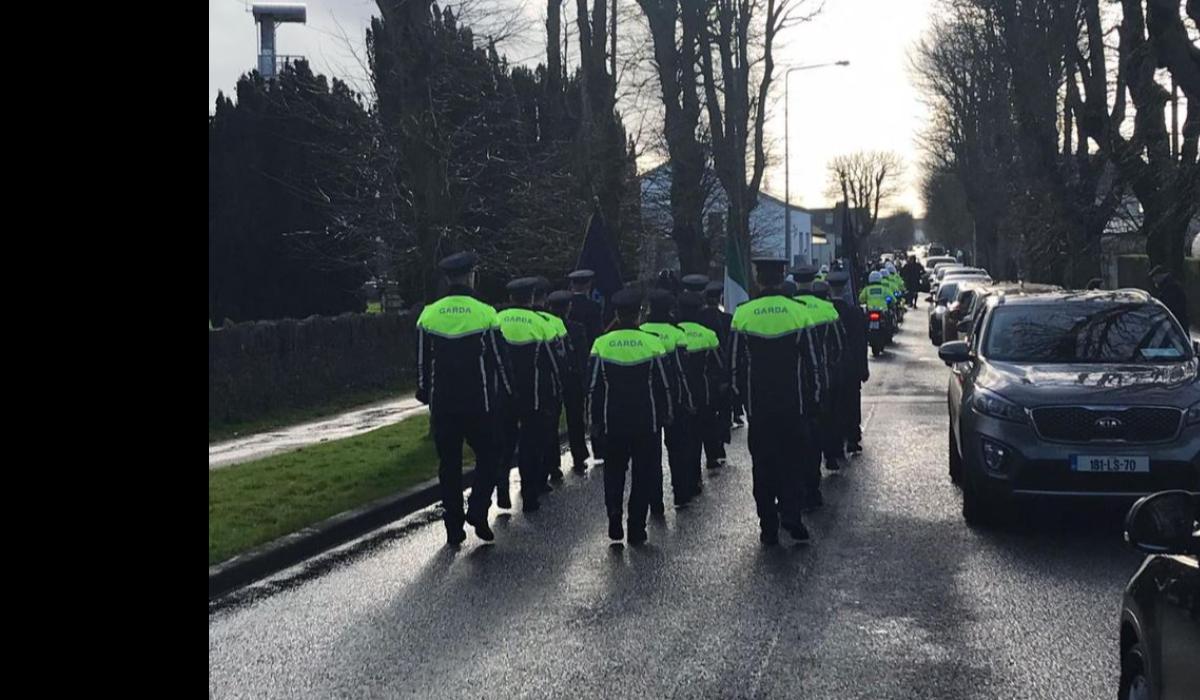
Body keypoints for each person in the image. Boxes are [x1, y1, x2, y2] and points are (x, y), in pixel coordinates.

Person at [415, 252, 510, 546]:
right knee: (490, 455)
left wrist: (424, 391)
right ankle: (478, 508)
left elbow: (421, 360)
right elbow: (499, 358)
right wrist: (508, 391)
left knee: (449, 466)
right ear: (471, 276)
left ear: (447, 278)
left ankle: (453, 526)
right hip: (478, 401)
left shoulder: (429, 314)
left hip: (443, 403)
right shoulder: (485, 313)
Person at [730, 257, 819, 545]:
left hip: (758, 407)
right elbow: (813, 361)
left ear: (758, 279)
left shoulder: (743, 314)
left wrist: (740, 400)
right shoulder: (799, 312)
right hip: (794, 404)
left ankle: (767, 524)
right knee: (793, 461)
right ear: (782, 279)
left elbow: (734, 364)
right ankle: (791, 513)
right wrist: (815, 397)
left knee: (763, 466)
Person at [589, 288, 674, 544]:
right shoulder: (652, 343)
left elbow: (593, 387)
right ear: (639, 314)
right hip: (646, 421)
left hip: (612, 421)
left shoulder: (601, 344)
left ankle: (614, 513)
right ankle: (636, 526)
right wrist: (667, 413)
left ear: (616, 314)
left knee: (614, 471)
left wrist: (593, 421)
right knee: (643, 473)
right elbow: (664, 384)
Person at [496, 277, 561, 513]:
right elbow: (553, 361)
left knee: (505, 442)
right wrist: (557, 388)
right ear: (532, 297)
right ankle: (529, 495)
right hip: (532, 393)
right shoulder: (541, 323)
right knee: (529, 445)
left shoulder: (497, 319)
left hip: (503, 392)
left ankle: (502, 489)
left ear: (510, 297)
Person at [791, 266, 843, 509]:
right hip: (823, 378)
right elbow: (839, 344)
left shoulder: (790, 309)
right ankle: (824, 464)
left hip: (795, 384)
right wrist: (830, 366)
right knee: (823, 423)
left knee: (797, 438)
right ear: (813, 283)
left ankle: (797, 485)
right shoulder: (827, 308)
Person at [640, 289, 693, 513]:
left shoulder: (641, 331)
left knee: (650, 453)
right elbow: (681, 371)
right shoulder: (677, 334)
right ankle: (681, 493)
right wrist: (687, 397)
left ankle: (656, 501)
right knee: (677, 448)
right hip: (673, 398)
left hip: (647, 400)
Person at [677, 291, 726, 489]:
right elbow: (719, 363)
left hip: (680, 394)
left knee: (686, 438)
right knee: (703, 428)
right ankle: (710, 458)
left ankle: (690, 478)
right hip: (703, 391)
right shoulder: (707, 334)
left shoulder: (674, 334)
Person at [547, 290, 592, 472]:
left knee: (552, 421)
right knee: (575, 419)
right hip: (573, 378)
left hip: (553, 379)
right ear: (569, 308)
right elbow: (583, 356)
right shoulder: (577, 328)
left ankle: (553, 464)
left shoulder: (546, 327)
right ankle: (579, 457)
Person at [826, 272, 869, 455]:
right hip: (851, 366)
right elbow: (861, 343)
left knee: (833, 405)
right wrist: (863, 368)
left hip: (831, 367)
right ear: (844, 289)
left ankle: (835, 442)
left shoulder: (826, 313)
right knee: (852, 401)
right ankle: (853, 437)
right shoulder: (854, 313)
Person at [534, 278, 570, 484]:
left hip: (517, 386)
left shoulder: (506, 319)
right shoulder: (553, 322)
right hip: (547, 385)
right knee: (549, 428)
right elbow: (561, 357)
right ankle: (550, 467)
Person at [700, 280, 738, 440]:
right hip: (722, 365)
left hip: (705, 367)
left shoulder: (699, 318)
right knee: (723, 402)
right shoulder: (728, 318)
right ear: (720, 298)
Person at [1148, 265, 1190, 332]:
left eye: (1155, 277)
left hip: (1176, 323)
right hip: (1179, 322)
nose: (1154, 280)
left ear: (1160, 276)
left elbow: (1166, 306)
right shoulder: (1169, 285)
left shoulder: (1169, 288)